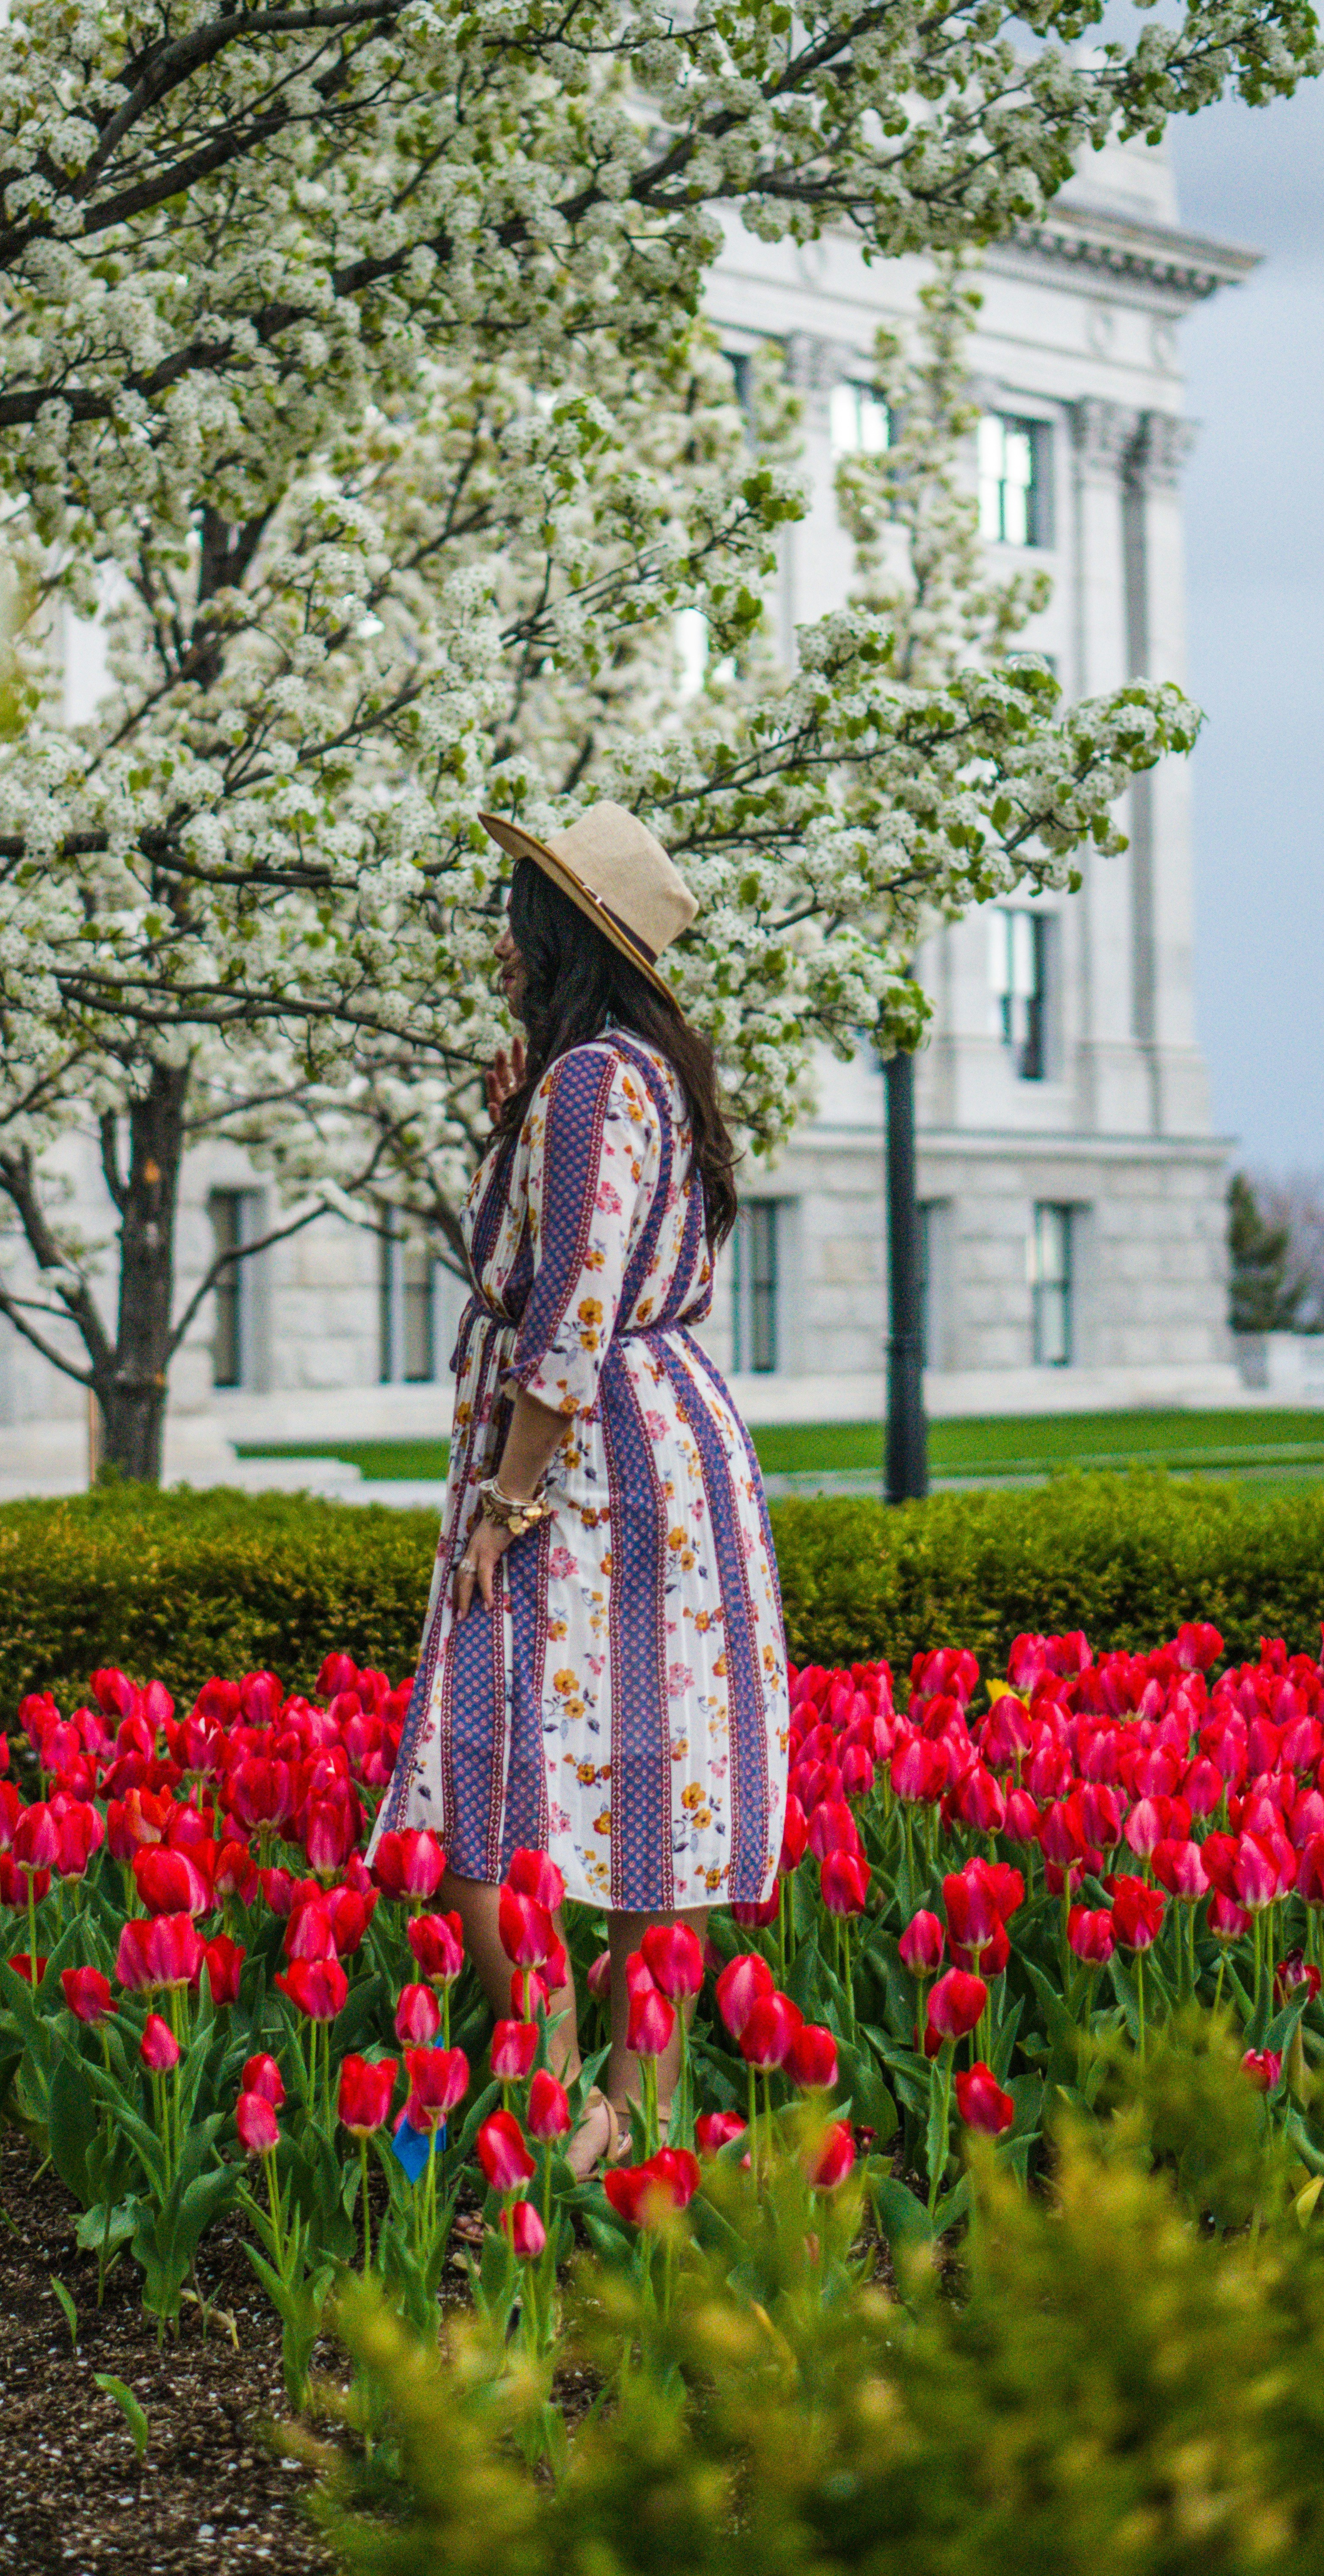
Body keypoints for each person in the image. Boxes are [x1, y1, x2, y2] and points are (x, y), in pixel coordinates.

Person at [369, 799, 791, 2175]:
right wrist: (511, 1141)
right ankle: (634, 2120)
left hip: (588, 1465)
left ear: (562, 936)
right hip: (660, 1449)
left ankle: (561, 2107)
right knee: (650, 1778)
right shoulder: (633, 1079)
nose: (499, 944)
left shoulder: (591, 1086)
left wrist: (508, 1501)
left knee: (482, 1784)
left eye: (517, 916)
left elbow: (567, 1317)